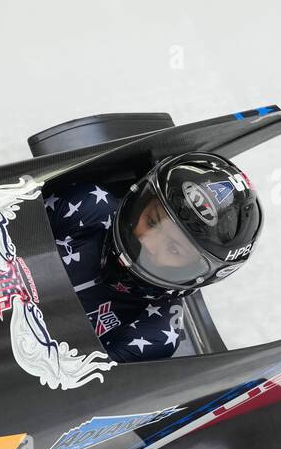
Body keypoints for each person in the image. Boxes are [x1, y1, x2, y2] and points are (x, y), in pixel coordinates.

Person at [47, 151, 263, 362]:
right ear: (139, 202)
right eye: (152, 221)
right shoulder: (87, 207)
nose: (148, 242)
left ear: (193, 269)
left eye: (174, 249)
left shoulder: (154, 332)